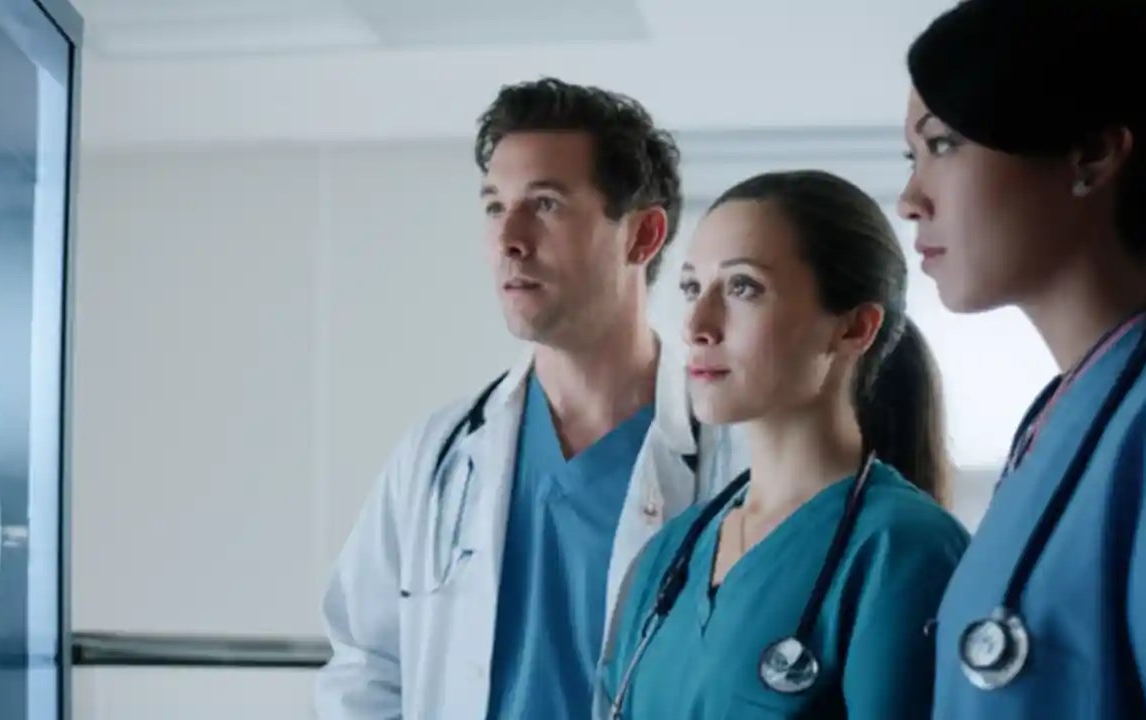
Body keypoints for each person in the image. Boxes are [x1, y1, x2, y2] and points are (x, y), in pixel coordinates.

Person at [314, 77, 738, 720]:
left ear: (643, 236)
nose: (508, 238)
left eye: (545, 204)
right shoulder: (437, 454)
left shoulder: (736, 457)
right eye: (494, 207)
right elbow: (363, 664)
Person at [598, 170, 971, 719]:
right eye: (692, 289)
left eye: (743, 287)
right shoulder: (669, 555)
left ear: (854, 328)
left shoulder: (903, 551)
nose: (697, 325)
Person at [898, 0, 1146, 717]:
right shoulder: (1060, 419)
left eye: (943, 145)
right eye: (913, 158)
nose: (911, 199)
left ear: (1091, 155)